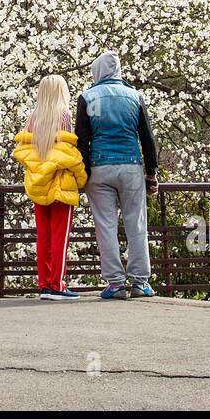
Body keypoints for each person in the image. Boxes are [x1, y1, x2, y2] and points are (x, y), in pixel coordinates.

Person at [75, 50, 158, 299]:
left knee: (105, 227)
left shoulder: (87, 97)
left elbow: (81, 141)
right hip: (131, 166)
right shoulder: (135, 96)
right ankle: (140, 281)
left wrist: (84, 174)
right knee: (136, 223)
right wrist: (151, 173)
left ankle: (115, 283)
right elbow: (147, 139)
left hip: (99, 169)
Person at [12, 74, 87, 300]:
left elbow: (26, 151)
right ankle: (58, 285)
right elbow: (68, 153)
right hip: (60, 184)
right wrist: (81, 177)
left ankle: (44, 285)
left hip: (38, 185)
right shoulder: (63, 115)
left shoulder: (33, 117)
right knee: (59, 237)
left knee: (43, 237)